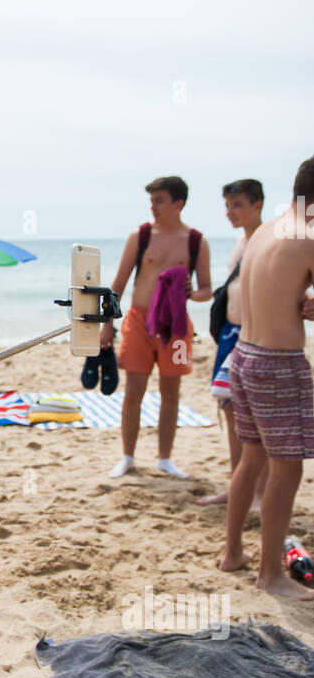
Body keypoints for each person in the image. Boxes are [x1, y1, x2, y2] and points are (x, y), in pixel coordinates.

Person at [219, 157, 314, 599]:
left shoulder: (266, 230)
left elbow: (277, 288)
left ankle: (232, 552)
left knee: (251, 459)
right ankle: (270, 574)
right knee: (286, 470)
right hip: (278, 364)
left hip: (243, 355)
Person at [101, 177, 211, 479]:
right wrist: (107, 324)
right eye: (151, 201)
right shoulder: (141, 235)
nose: (153, 207)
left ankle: (165, 458)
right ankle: (128, 457)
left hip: (175, 327)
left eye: (159, 200)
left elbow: (207, 290)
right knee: (133, 391)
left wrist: (192, 292)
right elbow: (119, 284)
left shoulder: (196, 241)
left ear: (179, 203)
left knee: (171, 393)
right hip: (138, 321)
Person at [196, 180, 266, 507]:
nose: (230, 212)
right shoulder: (240, 241)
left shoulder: (270, 241)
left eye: (237, 204)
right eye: (227, 205)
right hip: (229, 335)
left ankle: (258, 492)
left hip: (256, 335)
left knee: (255, 418)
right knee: (229, 410)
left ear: (258, 204)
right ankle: (236, 486)